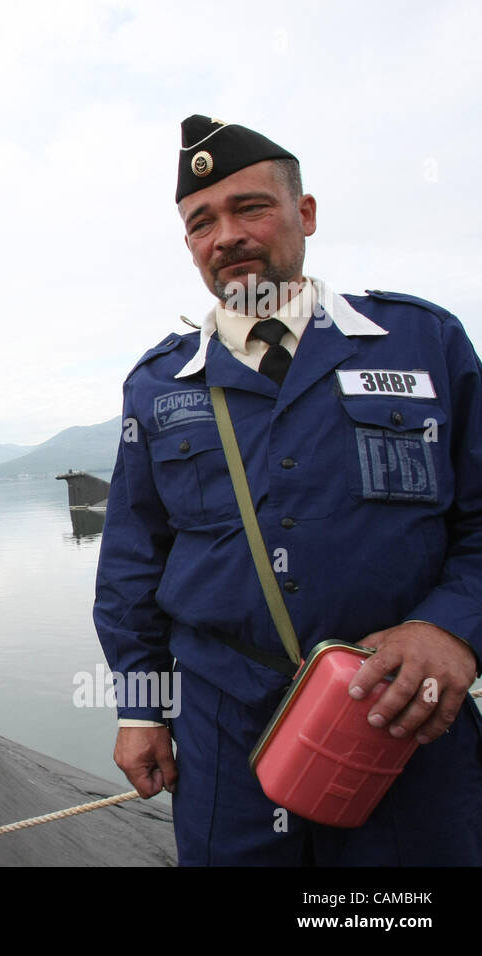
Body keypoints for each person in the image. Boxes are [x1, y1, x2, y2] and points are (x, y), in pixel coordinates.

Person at [93, 115, 482, 865]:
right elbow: (132, 566)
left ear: (304, 215)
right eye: (202, 222)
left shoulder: (423, 343)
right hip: (222, 730)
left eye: (250, 208)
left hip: (399, 716)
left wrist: (453, 629)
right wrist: (141, 711)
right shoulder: (157, 384)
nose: (227, 235)